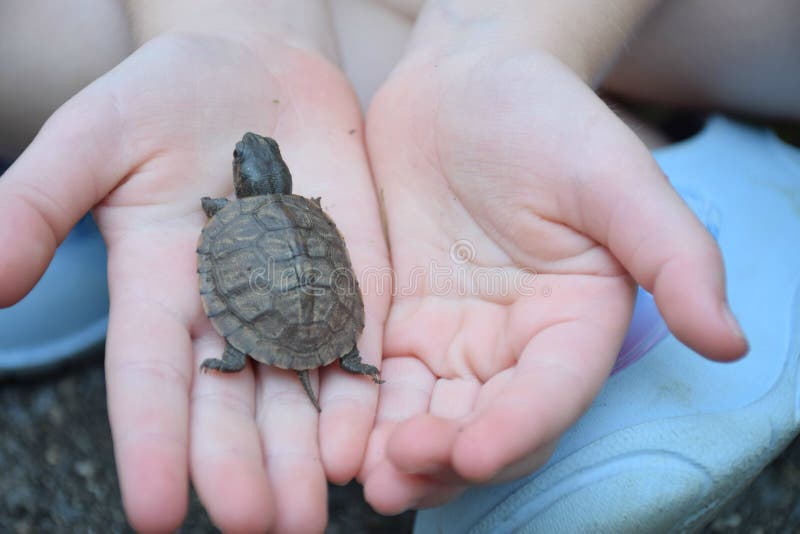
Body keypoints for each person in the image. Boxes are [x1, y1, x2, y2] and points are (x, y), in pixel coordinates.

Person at [0, 1, 797, 532]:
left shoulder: (226, 215)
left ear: (242, 184)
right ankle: (596, 132)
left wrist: (500, 42)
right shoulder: (298, 209)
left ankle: (661, 171)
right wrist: (233, 26)